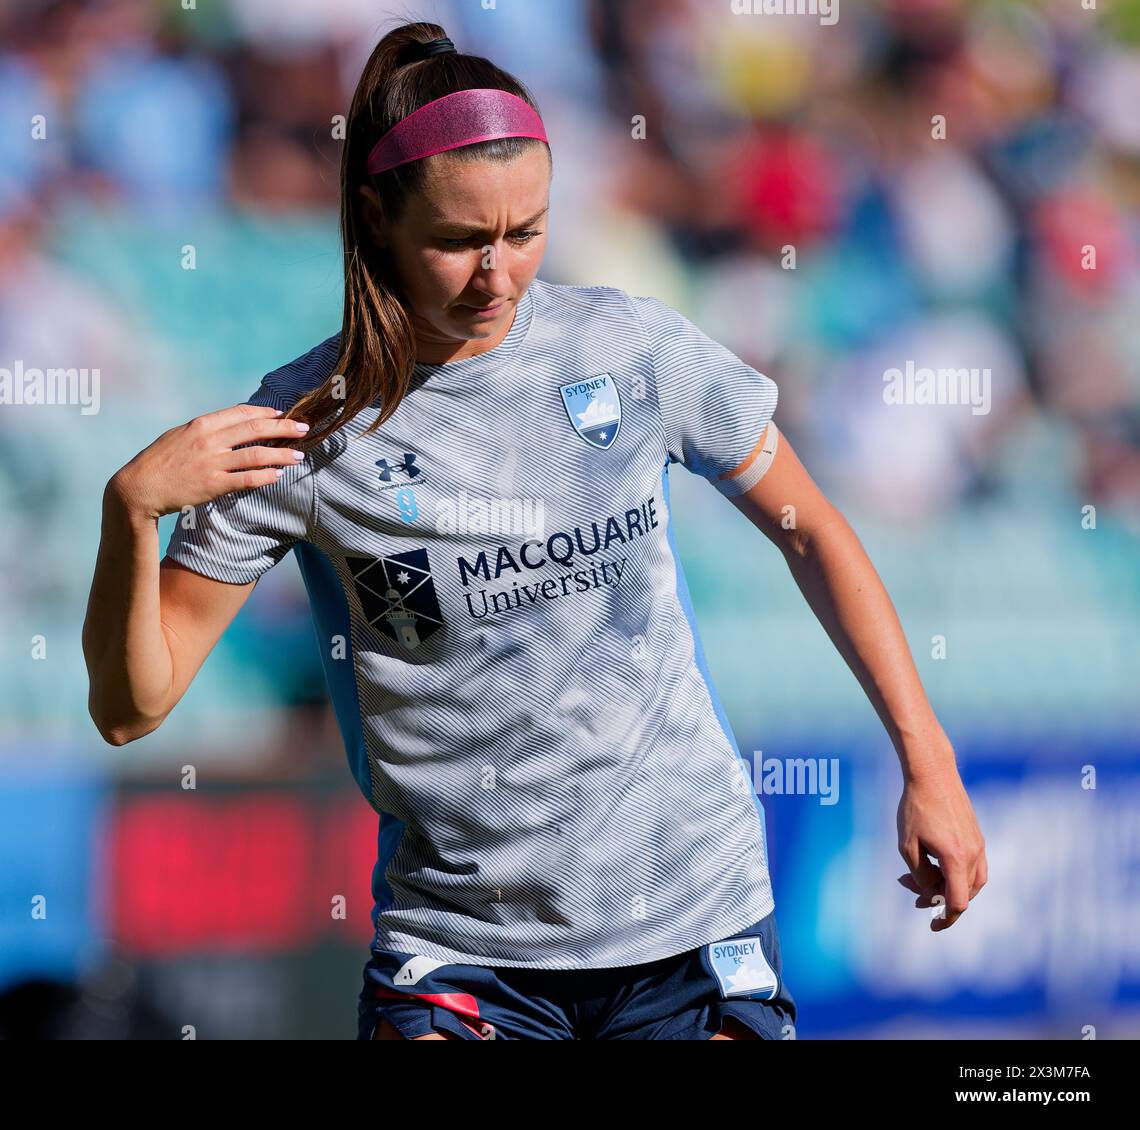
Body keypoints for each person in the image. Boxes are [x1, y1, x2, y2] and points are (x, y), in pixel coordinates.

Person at [82, 23, 987, 1041]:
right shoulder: (305, 427)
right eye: (461, 240)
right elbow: (130, 707)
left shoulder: (631, 348)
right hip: (462, 949)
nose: (497, 274)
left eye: (524, 232)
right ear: (375, 219)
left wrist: (928, 762)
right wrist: (133, 512)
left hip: (695, 919)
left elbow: (812, 529)